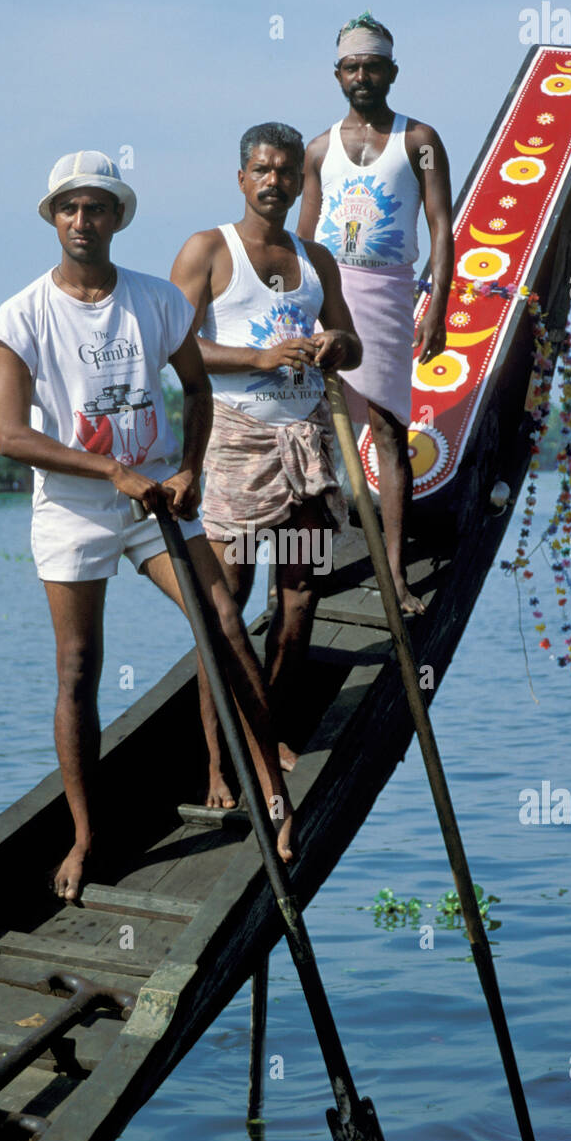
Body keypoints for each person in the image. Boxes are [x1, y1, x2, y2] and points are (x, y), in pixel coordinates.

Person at [0, 150, 294, 900]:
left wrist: (187, 469)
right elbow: (10, 437)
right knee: (78, 668)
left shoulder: (156, 301)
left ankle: (272, 795)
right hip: (73, 507)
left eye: (96, 208)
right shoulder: (21, 316)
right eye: (69, 209)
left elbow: (196, 389)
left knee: (224, 620)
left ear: (118, 218)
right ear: (54, 219)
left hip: (156, 498)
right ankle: (89, 837)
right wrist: (111, 473)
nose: (82, 221)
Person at [170, 123, 361, 809]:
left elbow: (354, 347)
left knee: (301, 595)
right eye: (262, 169)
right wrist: (258, 357)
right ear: (242, 176)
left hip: (305, 446)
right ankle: (218, 764)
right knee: (227, 606)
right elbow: (175, 345)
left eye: (286, 172)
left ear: (299, 183)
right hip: (235, 447)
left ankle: (270, 730)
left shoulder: (316, 260)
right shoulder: (209, 250)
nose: (274, 182)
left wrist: (334, 343)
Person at [298, 12, 455, 615]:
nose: (361, 76)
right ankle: (303, 573)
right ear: (337, 74)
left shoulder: (420, 141)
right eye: (351, 67)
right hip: (328, 297)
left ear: (392, 72)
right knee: (316, 436)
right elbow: (305, 235)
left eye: (372, 66)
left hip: (390, 298)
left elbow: (441, 227)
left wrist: (436, 306)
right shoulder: (318, 150)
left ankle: (394, 574)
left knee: (390, 431)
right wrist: (296, 308)